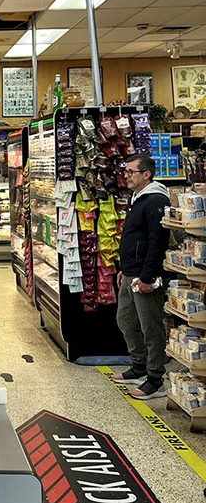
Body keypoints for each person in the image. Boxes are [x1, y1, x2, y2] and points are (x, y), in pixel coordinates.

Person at [111, 154, 170, 400]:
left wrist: (147, 276)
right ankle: (139, 367)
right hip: (131, 272)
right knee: (126, 320)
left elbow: (157, 242)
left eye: (131, 172)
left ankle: (156, 379)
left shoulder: (156, 200)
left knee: (150, 326)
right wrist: (125, 268)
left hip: (145, 275)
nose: (126, 176)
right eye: (125, 172)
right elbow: (135, 238)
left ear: (146, 174)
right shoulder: (137, 198)